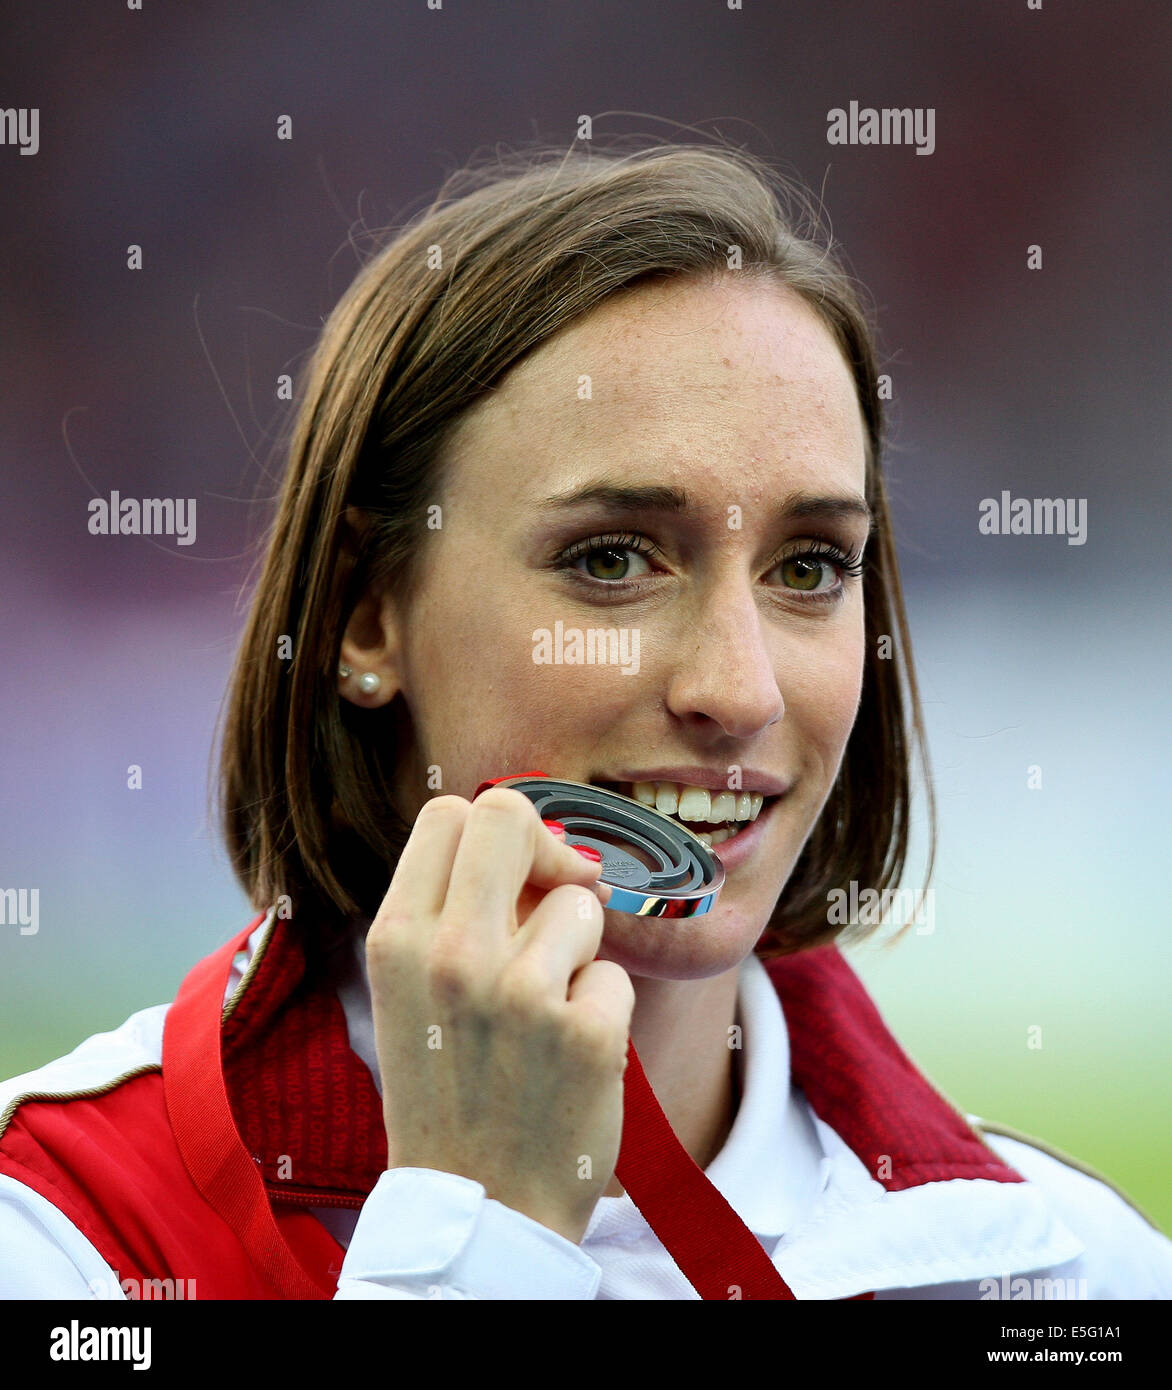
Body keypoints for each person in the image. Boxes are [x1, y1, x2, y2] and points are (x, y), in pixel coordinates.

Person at [2, 142, 1169, 1301]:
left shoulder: (1057, 1274)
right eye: (611, 558)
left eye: (809, 566)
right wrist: (479, 1240)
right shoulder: (67, 1233)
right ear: (364, 614)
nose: (740, 689)